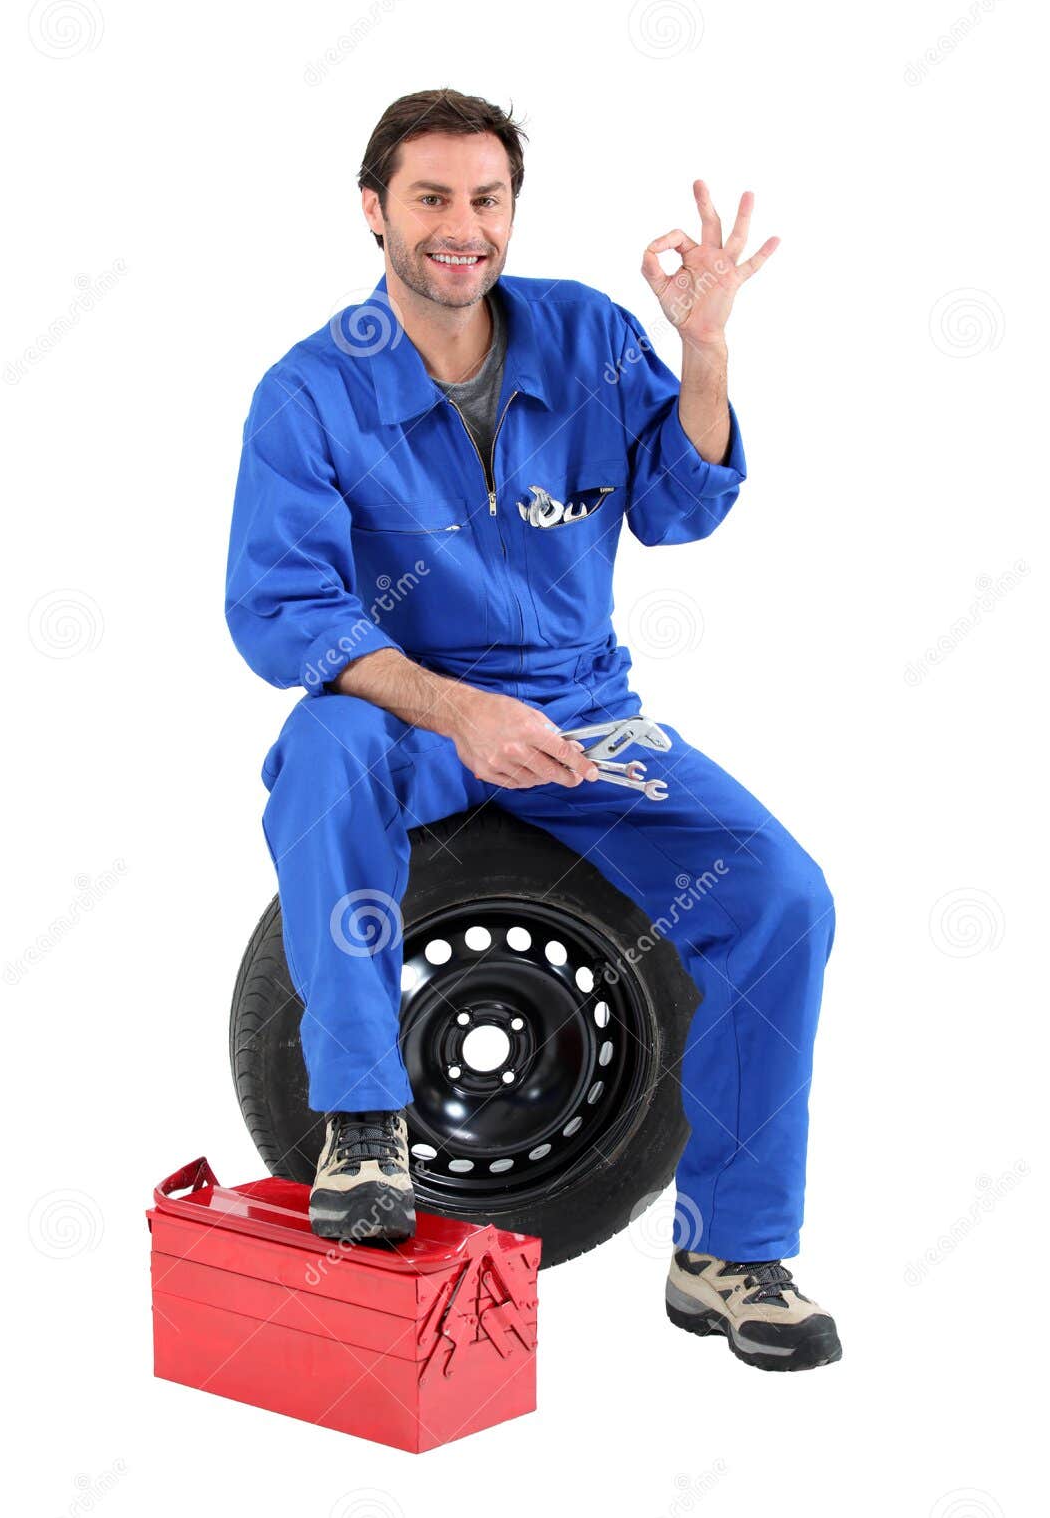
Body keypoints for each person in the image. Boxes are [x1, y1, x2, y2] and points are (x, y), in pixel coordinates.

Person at [225, 88, 841, 1373]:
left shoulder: (585, 337)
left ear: (512, 210)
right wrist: (457, 709)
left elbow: (679, 507)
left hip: (580, 713)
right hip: (405, 708)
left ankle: (726, 1250)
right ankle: (360, 1122)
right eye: (432, 198)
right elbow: (284, 611)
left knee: (780, 894)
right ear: (373, 211)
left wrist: (707, 348)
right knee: (322, 758)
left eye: (486, 199)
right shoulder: (312, 389)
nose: (462, 228)